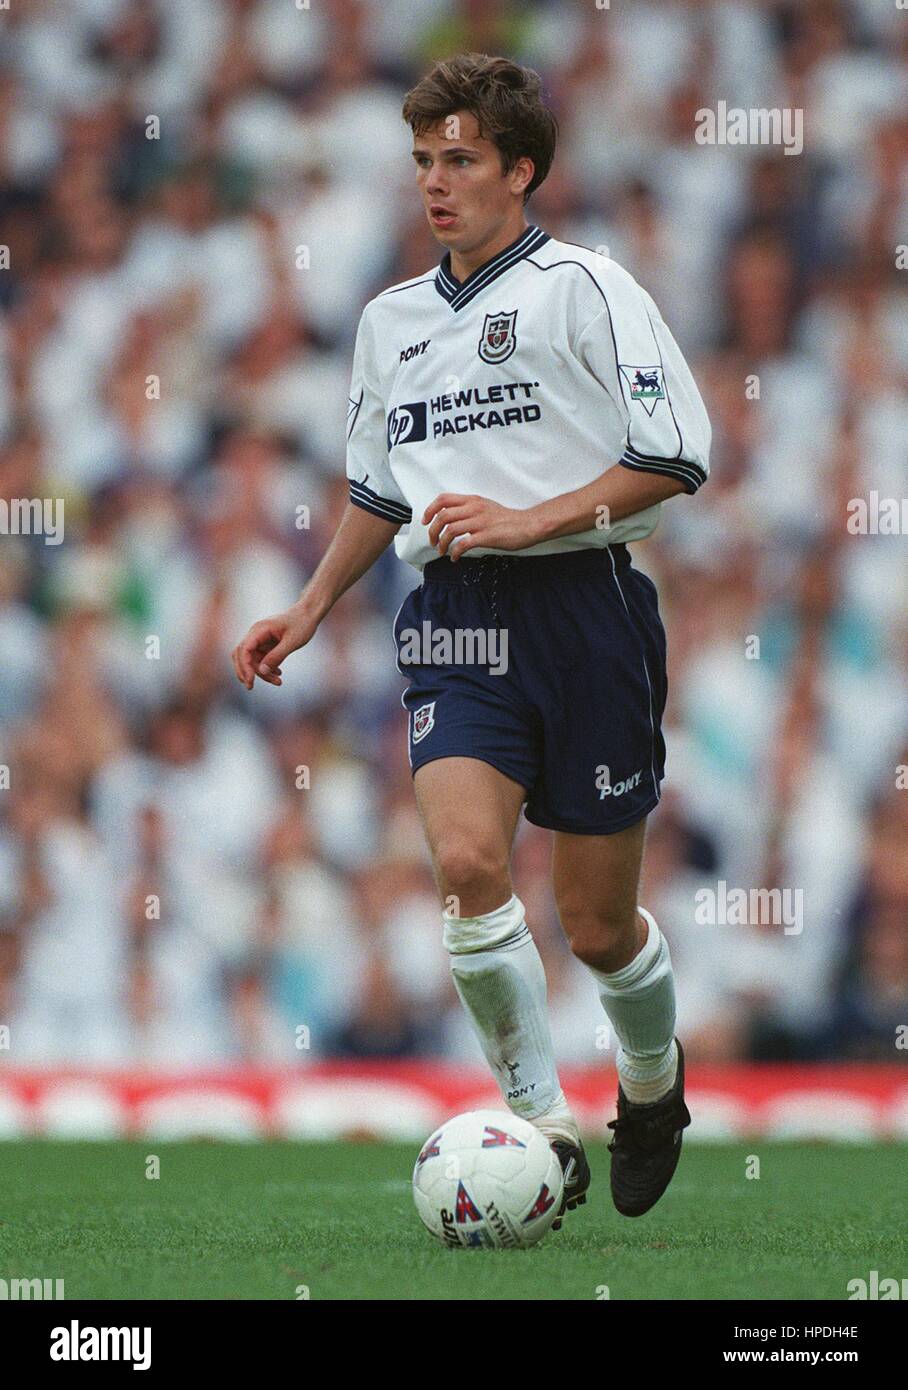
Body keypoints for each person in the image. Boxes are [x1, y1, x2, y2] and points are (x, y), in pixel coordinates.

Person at [233, 53, 710, 1226]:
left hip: (586, 608)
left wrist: (530, 516)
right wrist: (309, 605)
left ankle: (650, 1086)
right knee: (464, 866)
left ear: (521, 171)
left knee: (597, 924)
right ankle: (541, 1121)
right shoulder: (389, 322)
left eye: (459, 161)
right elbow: (378, 493)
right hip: (455, 621)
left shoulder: (585, 289)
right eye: (422, 163)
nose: (434, 184)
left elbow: (675, 456)